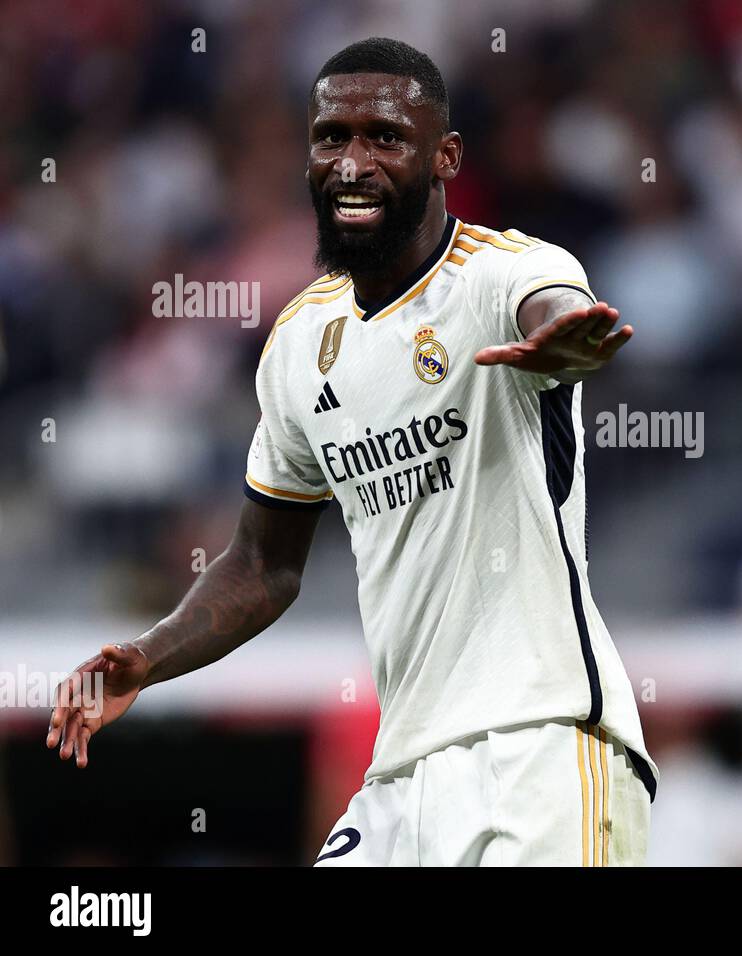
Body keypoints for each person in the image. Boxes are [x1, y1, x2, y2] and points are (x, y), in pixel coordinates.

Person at [45, 37, 656, 867]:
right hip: (401, 771)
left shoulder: (501, 272)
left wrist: (563, 341)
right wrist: (147, 658)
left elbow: (551, 305)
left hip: (541, 743)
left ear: (445, 157)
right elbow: (264, 563)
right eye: (332, 137)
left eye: (385, 137)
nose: (353, 162)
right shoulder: (299, 344)